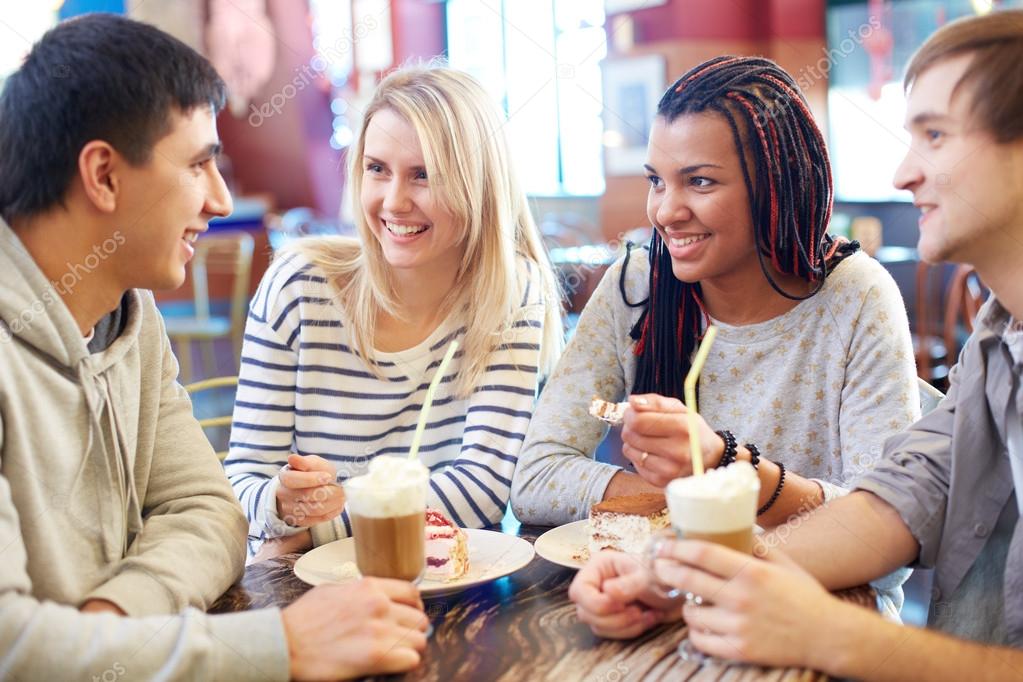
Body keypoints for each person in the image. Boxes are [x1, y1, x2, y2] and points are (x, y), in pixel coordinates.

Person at [570, 11, 1023, 680]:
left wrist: (832, 635)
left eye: (933, 135)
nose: (901, 173)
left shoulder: (856, 292)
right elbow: (893, 506)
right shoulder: (995, 338)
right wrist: (670, 576)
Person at [0, 14, 426, 680]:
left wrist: (109, 621)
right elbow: (14, 651)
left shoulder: (127, 319)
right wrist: (280, 647)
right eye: (199, 164)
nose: (222, 199)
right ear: (104, 175)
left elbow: (210, 512)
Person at [511, 55, 920, 531]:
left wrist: (724, 465)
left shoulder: (857, 298)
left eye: (699, 181)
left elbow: (886, 529)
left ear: (776, 183)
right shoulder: (638, 284)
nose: (665, 212)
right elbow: (537, 477)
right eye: (656, 181)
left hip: (816, 596)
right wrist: (692, 497)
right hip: (670, 591)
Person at [225, 64, 563, 556]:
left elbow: (483, 487)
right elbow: (242, 481)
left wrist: (318, 531)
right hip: (308, 588)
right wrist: (279, 503)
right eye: (377, 168)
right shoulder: (297, 286)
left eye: (424, 175)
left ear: (478, 185)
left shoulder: (511, 292)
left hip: (449, 585)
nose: (394, 201)